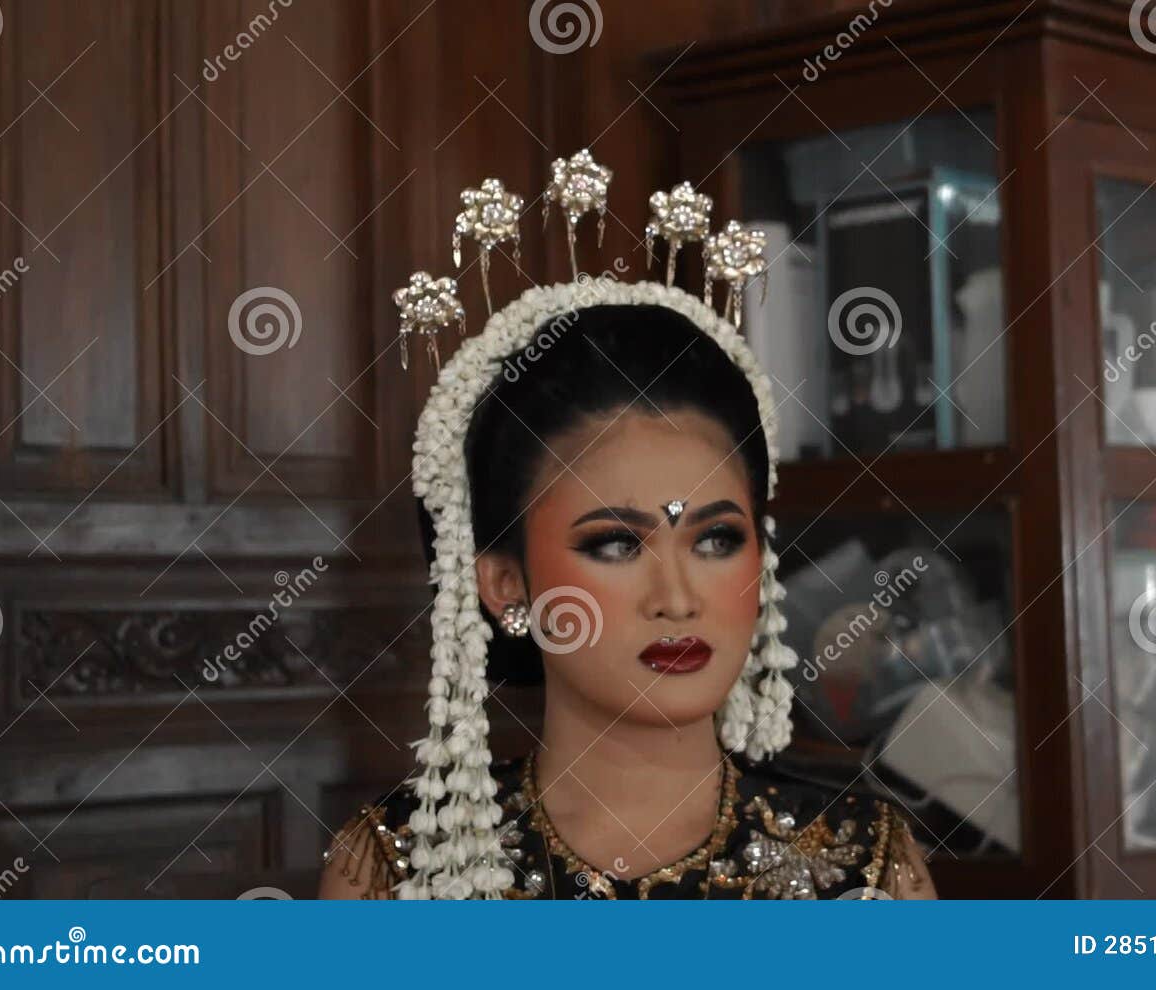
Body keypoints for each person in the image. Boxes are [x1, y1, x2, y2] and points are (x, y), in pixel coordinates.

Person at [318, 155, 936, 900]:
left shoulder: (863, 868)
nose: (676, 598)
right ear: (506, 583)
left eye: (715, 539)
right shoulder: (403, 870)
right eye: (615, 543)